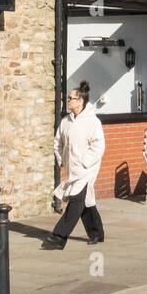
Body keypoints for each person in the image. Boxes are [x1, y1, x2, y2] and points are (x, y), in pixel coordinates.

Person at [44, 83, 105, 249]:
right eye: (69, 98)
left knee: (76, 200)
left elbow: (98, 146)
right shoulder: (66, 122)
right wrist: (61, 160)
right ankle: (96, 233)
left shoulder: (93, 122)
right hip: (72, 169)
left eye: (71, 98)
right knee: (85, 201)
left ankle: (59, 236)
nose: (68, 100)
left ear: (81, 101)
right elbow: (58, 142)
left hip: (87, 169)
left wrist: (85, 161)